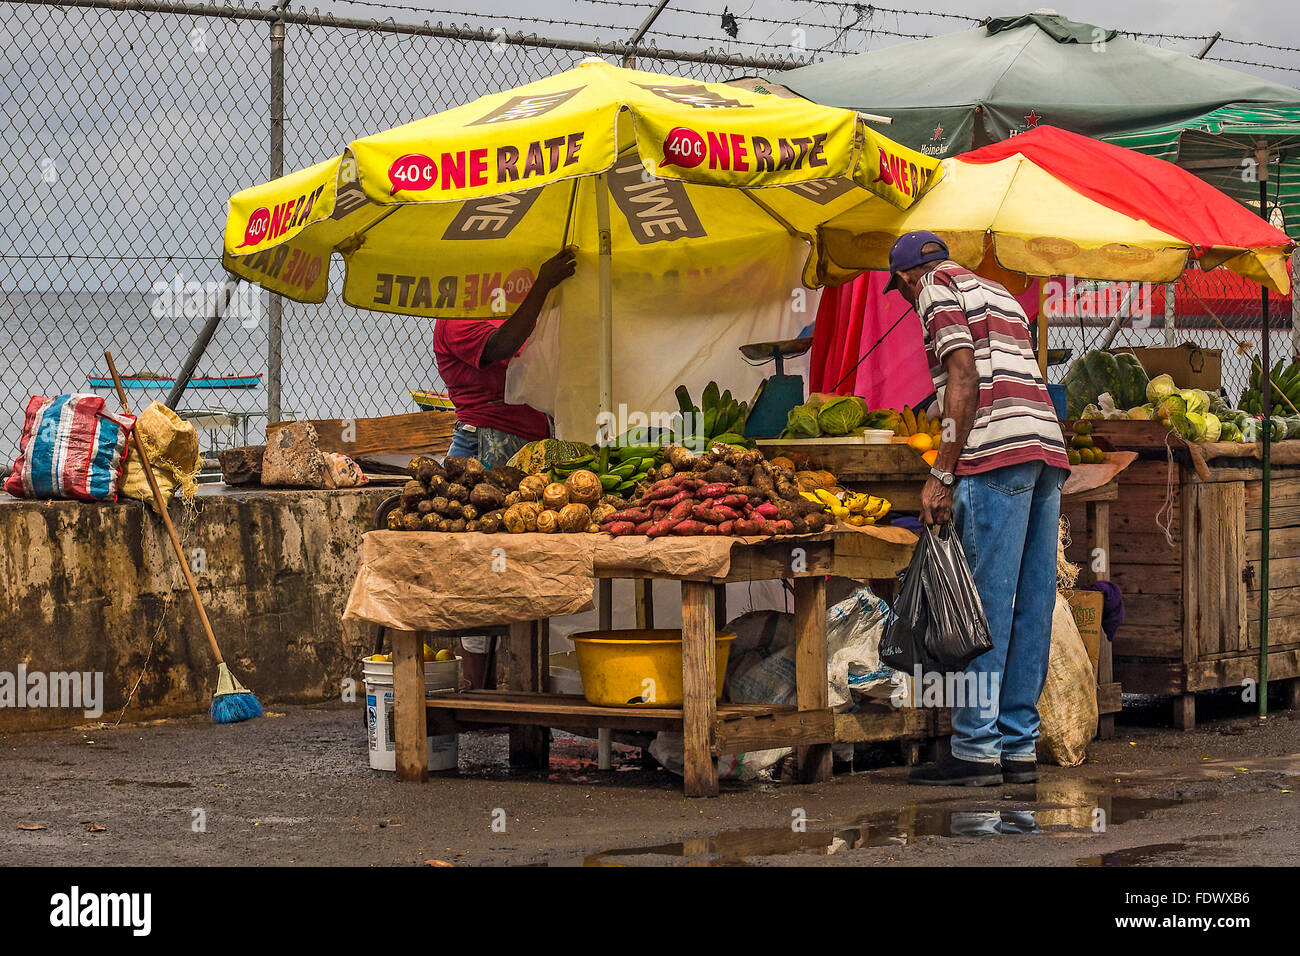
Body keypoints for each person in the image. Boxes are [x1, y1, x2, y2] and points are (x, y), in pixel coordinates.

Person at [885, 230, 1070, 787]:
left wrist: (942, 472)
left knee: (981, 605)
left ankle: (975, 748)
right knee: (1030, 603)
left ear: (905, 279)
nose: (907, 301)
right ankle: (1018, 745)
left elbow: (962, 376)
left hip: (994, 456)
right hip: (1044, 452)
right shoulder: (997, 291)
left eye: (900, 291)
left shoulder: (934, 289)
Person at [433, 247, 577, 468]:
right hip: (486, 443)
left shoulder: (508, 312)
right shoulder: (457, 317)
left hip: (532, 442)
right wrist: (542, 285)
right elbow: (500, 347)